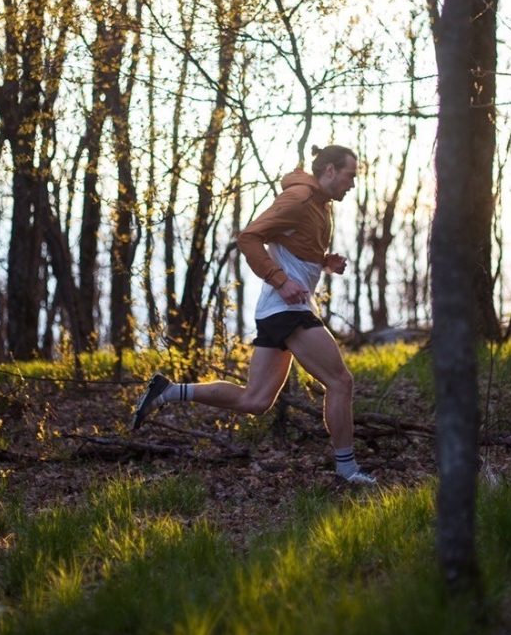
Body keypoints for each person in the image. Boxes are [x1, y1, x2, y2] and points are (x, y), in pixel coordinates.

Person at [132, 144, 376, 485]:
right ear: (331, 171)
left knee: (256, 400)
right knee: (340, 382)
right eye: (350, 175)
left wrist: (323, 261)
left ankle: (169, 392)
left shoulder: (319, 204)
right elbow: (248, 237)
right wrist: (279, 280)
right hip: (287, 309)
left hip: (278, 311)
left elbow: (294, 247)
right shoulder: (298, 200)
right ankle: (348, 470)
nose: (352, 184)